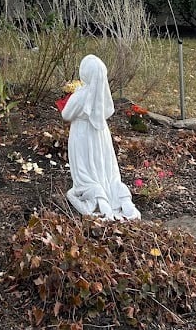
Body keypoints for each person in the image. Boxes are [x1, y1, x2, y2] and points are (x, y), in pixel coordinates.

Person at [60, 54, 140, 220]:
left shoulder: (81, 95)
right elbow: (109, 111)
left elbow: (66, 114)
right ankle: (117, 196)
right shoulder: (102, 94)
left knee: (85, 167)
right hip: (101, 134)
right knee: (104, 166)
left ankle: (97, 197)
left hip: (82, 134)